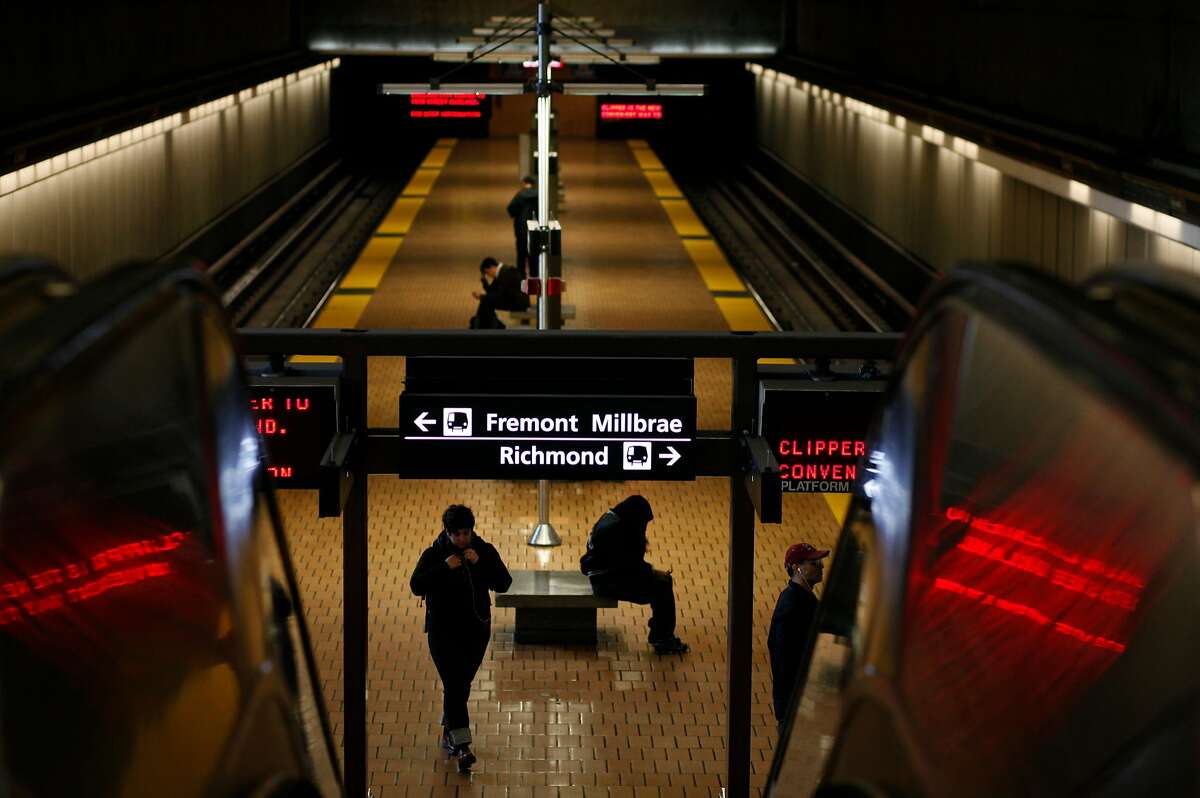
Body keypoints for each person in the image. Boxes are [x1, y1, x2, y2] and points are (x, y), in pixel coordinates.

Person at [410, 504, 512, 772]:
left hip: (476, 629)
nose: (462, 539)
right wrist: (444, 568)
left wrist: (480, 564)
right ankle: (462, 745)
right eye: (457, 534)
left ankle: (449, 724)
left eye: (466, 533)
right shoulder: (434, 555)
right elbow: (416, 584)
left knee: (461, 682)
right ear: (447, 532)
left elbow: (503, 582)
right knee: (454, 682)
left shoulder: (483, 551)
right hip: (442, 631)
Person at [579, 495, 689, 654]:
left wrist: (650, 572)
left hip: (603, 575)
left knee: (661, 582)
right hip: (606, 582)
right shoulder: (620, 531)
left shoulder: (611, 519)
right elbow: (629, 566)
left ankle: (660, 632)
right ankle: (662, 638)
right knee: (662, 586)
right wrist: (652, 573)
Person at [768, 541, 829, 731]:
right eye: (814, 563)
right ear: (797, 568)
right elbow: (783, 656)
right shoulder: (792, 606)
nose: (821, 567)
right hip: (796, 700)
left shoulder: (801, 598)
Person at [470, 256, 529, 329]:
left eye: (487, 272)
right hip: (512, 299)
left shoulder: (506, 272)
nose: (488, 275)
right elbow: (491, 291)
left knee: (486, 302)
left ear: (491, 267)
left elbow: (500, 295)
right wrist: (483, 280)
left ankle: (484, 326)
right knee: (486, 301)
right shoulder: (501, 272)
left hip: (518, 303)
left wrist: (482, 297)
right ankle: (485, 325)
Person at [505, 175, 538, 277]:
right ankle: (534, 277)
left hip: (521, 229)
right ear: (534, 184)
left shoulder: (519, 195)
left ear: (524, 183)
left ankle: (521, 278)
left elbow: (511, 209)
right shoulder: (539, 195)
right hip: (534, 229)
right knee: (533, 254)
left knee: (521, 255)